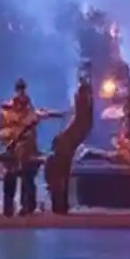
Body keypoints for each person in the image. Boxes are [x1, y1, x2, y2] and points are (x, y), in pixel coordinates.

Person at [0, 79, 60, 216]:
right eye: (19, 89)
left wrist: (25, 133)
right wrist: (13, 135)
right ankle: (8, 208)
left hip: (27, 150)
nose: (21, 93)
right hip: (10, 150)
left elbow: (35, 125)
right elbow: (1, 131)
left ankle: (27, 207)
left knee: (28, 178)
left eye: (22, 89)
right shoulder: (6, 112)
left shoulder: (30, 112)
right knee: (10, 178)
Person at [48, 64, 94, 215]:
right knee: (62, 170)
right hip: (76, 130)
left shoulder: (84, 92)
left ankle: (60, 204)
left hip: (75, 131)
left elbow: (81, 117)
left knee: (61, 169)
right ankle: (61, 204)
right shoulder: (85, 92)